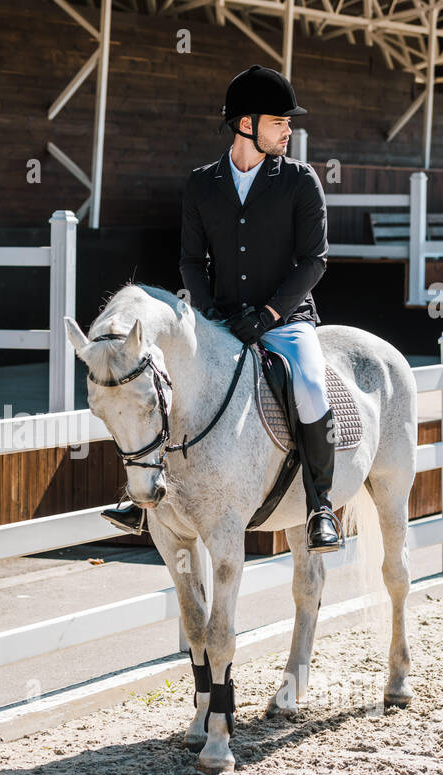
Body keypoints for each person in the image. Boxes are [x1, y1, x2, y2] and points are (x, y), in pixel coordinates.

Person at [102, 64, 343, 553]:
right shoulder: (202, 184)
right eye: (280, 121)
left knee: (313, 388)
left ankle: (321, 507)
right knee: (166, 386)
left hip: (285, 320)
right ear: (246, 124)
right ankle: (144, 500)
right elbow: (192, 260)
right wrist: (210, 316)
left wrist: (269, 316)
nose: (289, 129)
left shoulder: (300, 181)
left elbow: (313, 261)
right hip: (218, 322)